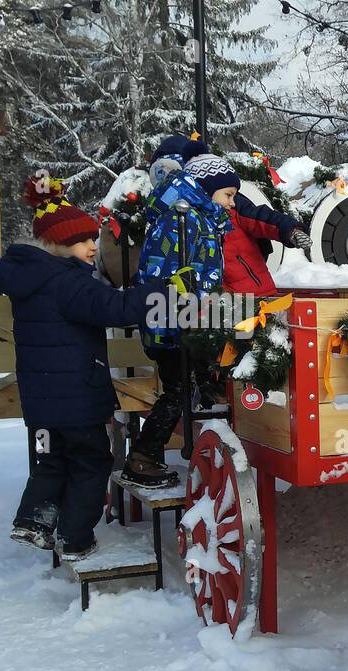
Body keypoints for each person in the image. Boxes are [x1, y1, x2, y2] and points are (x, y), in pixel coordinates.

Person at [0, 176, 164, 560]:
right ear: (59, 243)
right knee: (91, 462)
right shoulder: (69, 283)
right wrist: (159, 291)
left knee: (51, 459)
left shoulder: (29, 279)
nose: (93, 247)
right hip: (79, 404)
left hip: (42, 407)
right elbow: (117, 309)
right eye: (84, 240)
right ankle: (74, 538)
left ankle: (33, 521)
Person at [118, 139, 233, 489]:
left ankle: (210, 401)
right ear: (207, 189)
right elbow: (173, 275)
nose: (231, 203)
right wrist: (191, 310)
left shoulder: (198, 217)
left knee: (196, 380)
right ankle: (143, 456)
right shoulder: (182, 219)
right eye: (227, 194)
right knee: (178, 390)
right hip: (173, 321)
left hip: (189, 316)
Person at [181, 153, 312, 295]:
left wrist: (291, 230)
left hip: (262, 293)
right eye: (228, 195)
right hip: (231, 306)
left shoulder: (235, 212)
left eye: (234, 196)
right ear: (205, 192)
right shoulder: (188, 226)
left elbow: (265, 218)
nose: (232, 202)